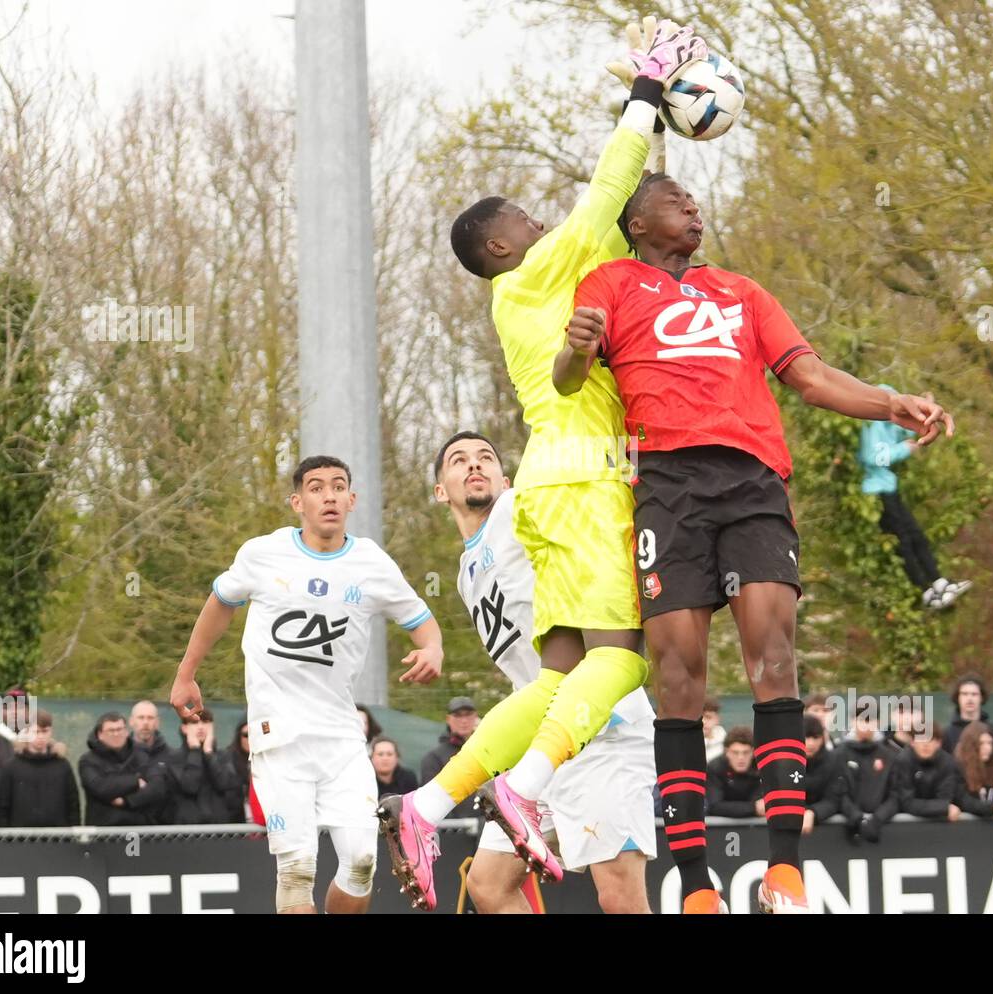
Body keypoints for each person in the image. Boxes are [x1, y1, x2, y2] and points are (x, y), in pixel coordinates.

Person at [562, 173, 956, 914]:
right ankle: (697, 885)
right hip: (667, 488)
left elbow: (806, 375)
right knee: (678, 678)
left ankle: (785, 870)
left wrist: (889, 401)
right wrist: (576, 350)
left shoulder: (742, 292)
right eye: (676, 197)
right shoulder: (609, 281)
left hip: (752, 484)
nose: (693, 206)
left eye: (694, 200)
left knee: (774, 657)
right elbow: (567, 380)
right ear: (638, 221)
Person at [382, 17, 704, 903]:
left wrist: (663, 118)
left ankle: (434, 798)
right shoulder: (534, 272)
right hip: (586, 474)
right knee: (627, 657)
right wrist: (645, 89)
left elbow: (620, 212)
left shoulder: (535, 287)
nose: (542, 218)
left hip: (552, 483)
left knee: (562, 672)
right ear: (500, 245)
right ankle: (517, 790)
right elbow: (605, 193)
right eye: (525, 216)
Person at [382, 433, 656, 914]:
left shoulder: (515, 511)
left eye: (486, 458)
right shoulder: (467, 567)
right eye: (459, 460)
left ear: (506, 481)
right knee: (489, 885)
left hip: (601, 731)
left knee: (619, 899)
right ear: (440, 491)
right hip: (541, 745)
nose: (474, 465)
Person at [170, 454, 441, 915]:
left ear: (352, 500)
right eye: (316, 487)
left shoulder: (371, 562)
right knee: (297, 870)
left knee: (360, 864)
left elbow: (421, 620)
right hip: (280, 738)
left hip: (342, 738)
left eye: (338, 486)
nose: (329, 495)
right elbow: (220, 602)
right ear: (298, 501)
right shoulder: (262, 554)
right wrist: (186, 673)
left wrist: (432, 648)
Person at [858, 396, 971, 608]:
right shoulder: (873, 420)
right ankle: (926, 592)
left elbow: (903, 433)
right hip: (876, 492)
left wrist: (925, 420)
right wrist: (904, 449)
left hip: (889, 487)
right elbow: (873, 456)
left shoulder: (888, 421)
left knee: (916, 535)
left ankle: (939, 583)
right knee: (903, 542)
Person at [78, 712, 167, 826]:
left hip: (142, 830)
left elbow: (157, 787)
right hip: (103, 833)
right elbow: (101, 787)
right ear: (100, 734)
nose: (116, 734)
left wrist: (127, 801)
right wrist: (135, 782)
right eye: (111, 730)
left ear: (126, 731)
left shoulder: (143, 754)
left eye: (120, 729)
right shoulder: (88, 760)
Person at [0, 711, 80, 828]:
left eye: (45, 731)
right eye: (36, 732)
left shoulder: (62, 765)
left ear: (51, 732)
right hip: (20, 840)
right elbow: (2, 807)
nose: (40, 736)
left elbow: (73, 804)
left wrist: (73, 834)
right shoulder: (11, 767)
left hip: (58, 839)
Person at [165, 708, 240, 825]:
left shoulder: (223, 756)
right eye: (194, 723)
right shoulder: (175, 757)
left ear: (212, 727)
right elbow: (190, 786)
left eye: (205, 722)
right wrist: (195, 751)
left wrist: (209, 754)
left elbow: (224, 784)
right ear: (184, 728)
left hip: (220, 830)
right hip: (186, 831)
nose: (200, 727)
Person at [835, 714, 900, 843]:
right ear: (853, 722)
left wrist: (877, 819)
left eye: (870, 721)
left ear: (878, 723)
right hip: (844, 834)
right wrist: (857, 818)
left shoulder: (890, 756)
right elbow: (836, 792)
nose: (865, 725)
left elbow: (896, 794)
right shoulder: (838, 755)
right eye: (861, 720)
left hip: (883, 833)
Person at [890, 723, 960, 820]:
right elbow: (906, 802)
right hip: (906, 824)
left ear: (939, 743)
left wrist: (943, 807)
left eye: (930, 740)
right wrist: (943, 808)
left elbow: (945, 799)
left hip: (940, 824)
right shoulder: (903, 761)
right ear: (912, 742)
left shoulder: (948, 763)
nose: (925, 744)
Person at [706, 726, 763, 818]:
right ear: (727, 752)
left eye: (746, 752)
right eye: (735, 752)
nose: (741, 758)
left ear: (753, 752)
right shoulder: (714, 768)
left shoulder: (760, 768)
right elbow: (714, 806)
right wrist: (754, 808)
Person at [942, 673, 993, 754]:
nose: (969, 698)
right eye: (965, 694)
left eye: (974, 694)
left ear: (981, 697)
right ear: (958, 697)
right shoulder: (947, 734)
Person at [800, 715, 841, 832]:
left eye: (816, 737)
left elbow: (834, 799)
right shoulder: (784, 763)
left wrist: (813, 812)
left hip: (826, 828)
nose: (811, 743)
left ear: (822, 738)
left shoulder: (833, 761)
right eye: (806, 737)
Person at [224, 720, 258, 824]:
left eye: (254, 734)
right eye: (246, 735)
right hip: (238, 822)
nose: (250, 739)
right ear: (239, 737)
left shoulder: (268, 760)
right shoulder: (228, 760)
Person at [702, 697, 726, 761]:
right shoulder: (683, 745)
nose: (703, 722)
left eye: (708, 717)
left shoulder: (727, 745)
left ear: (717, 719)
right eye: (699, 718)